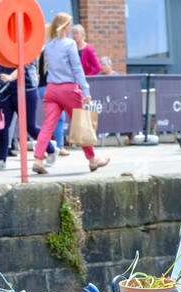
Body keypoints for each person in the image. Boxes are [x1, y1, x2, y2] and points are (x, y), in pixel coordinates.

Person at [33, 13, 109, 174]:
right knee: (80, 124)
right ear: (65, 27)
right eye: (69, 25)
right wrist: (86, 90)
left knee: (47, 126)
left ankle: (38, 160)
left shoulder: (48, 46)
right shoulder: (69, 44)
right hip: (68, 89)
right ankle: (92, 160)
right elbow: (77, 69)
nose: (70, 28)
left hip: (51, 89)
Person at [0, 58, 56, 163]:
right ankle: (1, 159)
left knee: (30, 126)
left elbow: (23, 66)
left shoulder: (24, 48)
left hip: (26, 90)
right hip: (4, 90)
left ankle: (51, 149)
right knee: (2, 126)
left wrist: (10, 77)